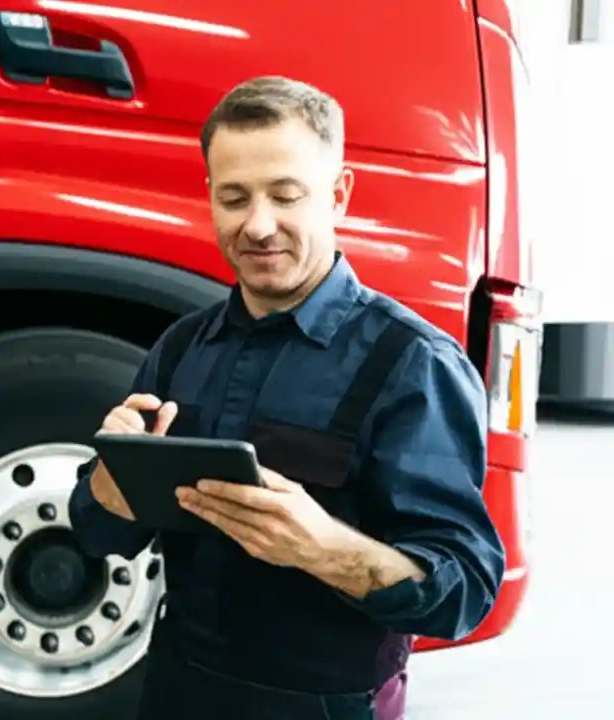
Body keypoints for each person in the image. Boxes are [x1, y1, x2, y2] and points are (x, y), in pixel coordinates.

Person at [68, 76, 506, 720]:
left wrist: (320, 546)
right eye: (234, 197)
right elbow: (95, 531)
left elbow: (462, 591)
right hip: (175, 691)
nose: (258, 225)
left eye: (285, 196)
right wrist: (110, 484)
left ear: (339, 196)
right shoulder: (181, 348)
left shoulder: (413, 366)